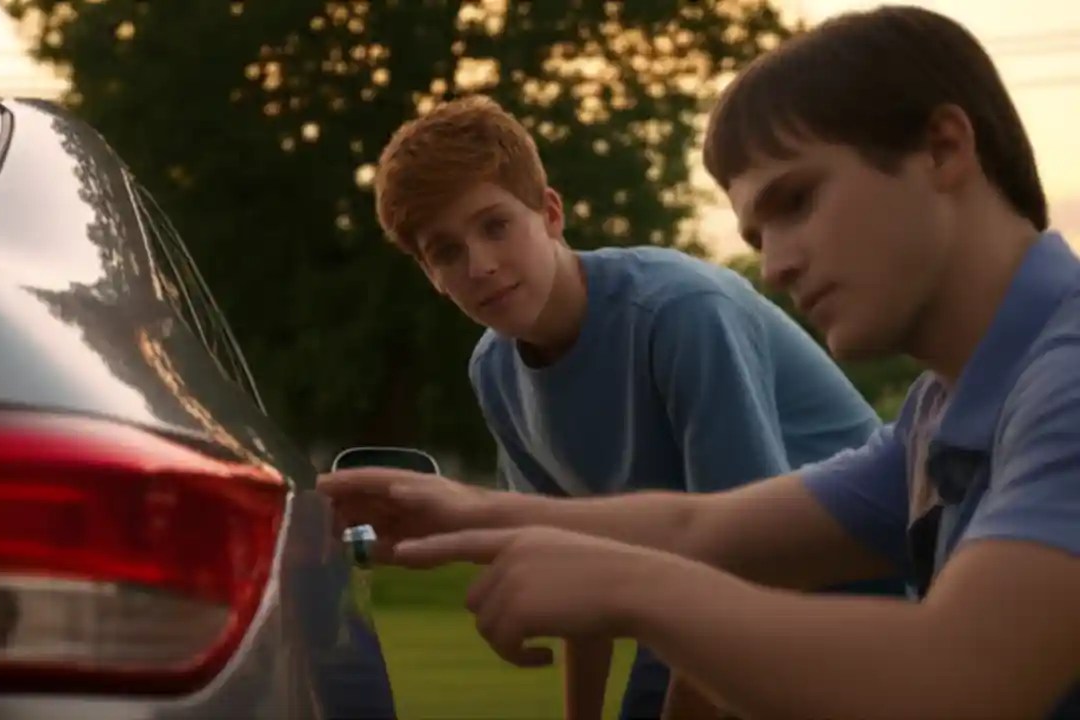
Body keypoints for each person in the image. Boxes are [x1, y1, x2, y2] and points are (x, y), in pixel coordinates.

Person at [322, 5, 1080, 719]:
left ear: (943, 150)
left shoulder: (1067, 376)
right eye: (756, 235)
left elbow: (964, 678)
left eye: (798, 202)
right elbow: (703, 528)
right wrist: (474, 509)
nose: (775, 267)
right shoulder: (933, 412)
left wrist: (622, 584)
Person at [368, 93, 903, 719]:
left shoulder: (681, 313)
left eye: (495, 226)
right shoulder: (494, 370)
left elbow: (752, 565)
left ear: (549, 212)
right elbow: (574, 564)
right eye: (446, 252)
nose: (480, 266)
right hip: (690, 587)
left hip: (855, 589)